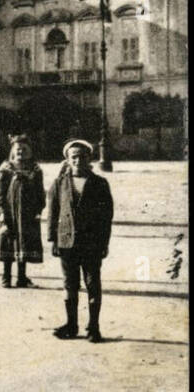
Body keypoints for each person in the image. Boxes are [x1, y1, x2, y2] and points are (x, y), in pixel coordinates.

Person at [48, 140, 114, 342]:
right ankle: (71, 324)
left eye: (82, 156)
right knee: (70, 286)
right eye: (73, 157)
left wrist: (104, 243)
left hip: (92, 245)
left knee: (93, 284)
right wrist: (53, 239)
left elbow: (106, 217)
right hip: (67, 243)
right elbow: (53, 213)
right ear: (67, 160)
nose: (78, 160)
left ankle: (93, 327)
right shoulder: (59, 184)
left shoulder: (100, 183)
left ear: (90, 159)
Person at [0, 135, 44, 287]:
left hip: (28, 214)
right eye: (18, 149)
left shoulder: (35, 169)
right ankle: (6, 277)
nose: (21, 152)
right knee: (8, 240)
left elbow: (40, 190)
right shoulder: (6, 168)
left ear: (30, 151)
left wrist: (39, 208)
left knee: (25, 243)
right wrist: (2, 210)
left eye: (24, 149)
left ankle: (22, 277)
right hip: (10, 212)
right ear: (13, 151)